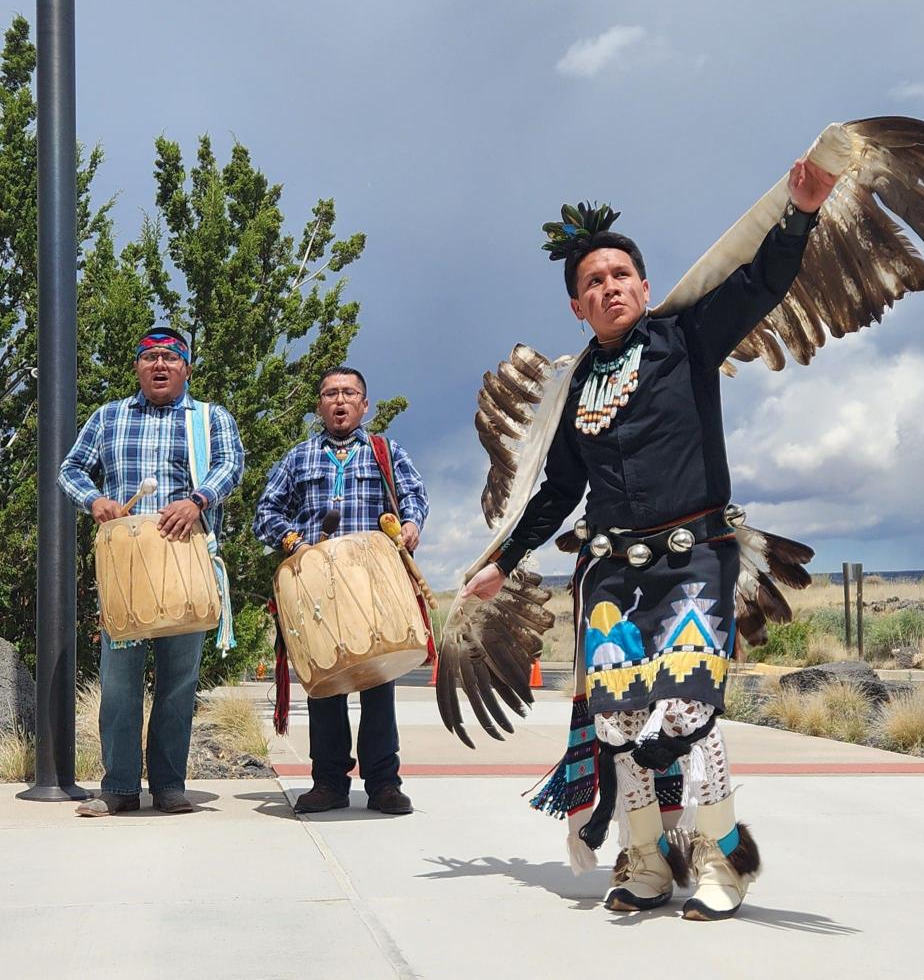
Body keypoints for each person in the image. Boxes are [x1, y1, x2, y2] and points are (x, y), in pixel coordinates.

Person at [461, 160, 836, 918]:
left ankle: (721, 858)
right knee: (622, 719)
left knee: (688, 712)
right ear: (578, 306)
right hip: (611, 572)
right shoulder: (576, 388)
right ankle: (646, 861)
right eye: (593, 282)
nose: (610, 288)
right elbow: (559, 490)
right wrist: (504, 561)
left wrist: (799, 215)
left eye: (621, 275)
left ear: (643, 284)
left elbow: (760, 284)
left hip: (695, 558)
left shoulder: (685, 336)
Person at [58, 326, 244, 817]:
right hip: (125, 568)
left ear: (186, 368)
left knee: (178, 682)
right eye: (150, 357)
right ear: (137, 367)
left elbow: (231, 464)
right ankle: (119, 787)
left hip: (186, 562)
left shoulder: (209, 419)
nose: (159, 365)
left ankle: (168, 786)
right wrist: (93, 499)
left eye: (170, 357)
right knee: (119, 682)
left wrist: (197, 500)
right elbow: (70, 469)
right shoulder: (109, 416)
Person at [253, 366, 428, 815]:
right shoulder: (299, 458)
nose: (340, 400)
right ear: (320, 405)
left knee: (379, 685)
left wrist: (411, 524)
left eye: (349, 393)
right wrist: (294, 542)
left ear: (364, 404)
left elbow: (415, 496)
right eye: (330, 393)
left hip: (374, 585)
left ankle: (384, 784)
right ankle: (328, 783)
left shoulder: (386, 452)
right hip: (317, 590)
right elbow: (266, 512)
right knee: (325, 688)